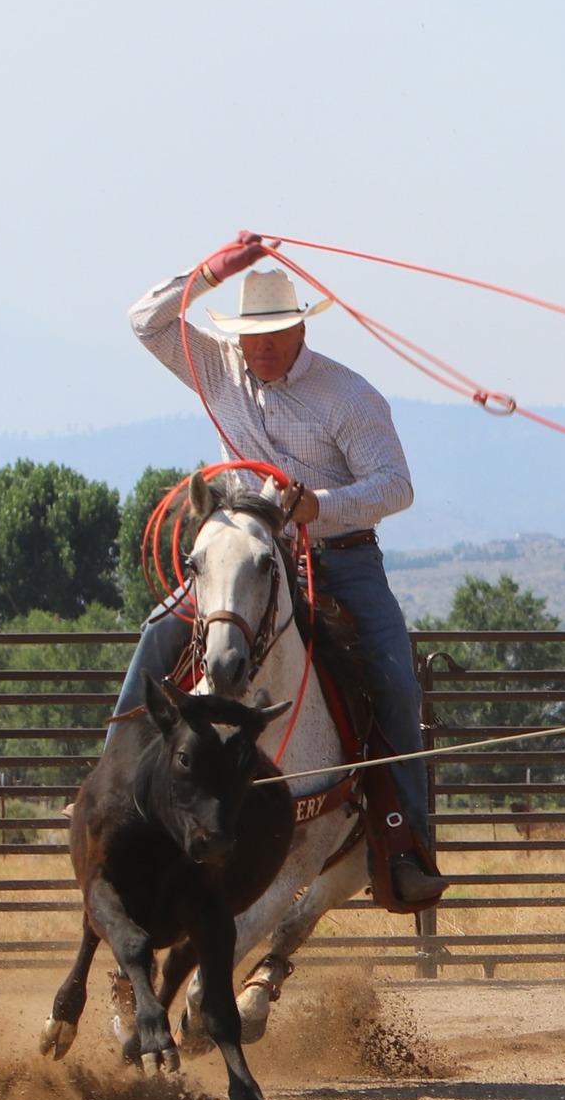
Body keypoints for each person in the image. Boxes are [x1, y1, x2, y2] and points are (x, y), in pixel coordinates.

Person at [115, 234, 446, 906]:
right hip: (245, 556)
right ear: (235, 334)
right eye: (250, 334)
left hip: (340, 558)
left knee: (393, 679)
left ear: (301, 329)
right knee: (160, 632)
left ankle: (401, 842)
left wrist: (319, 506)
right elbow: (146, 320)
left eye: (274, 332)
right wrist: (216, 268)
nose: (260, 346)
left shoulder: (348, 396)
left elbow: (396, 486)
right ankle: (114, 788)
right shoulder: (218, 367)